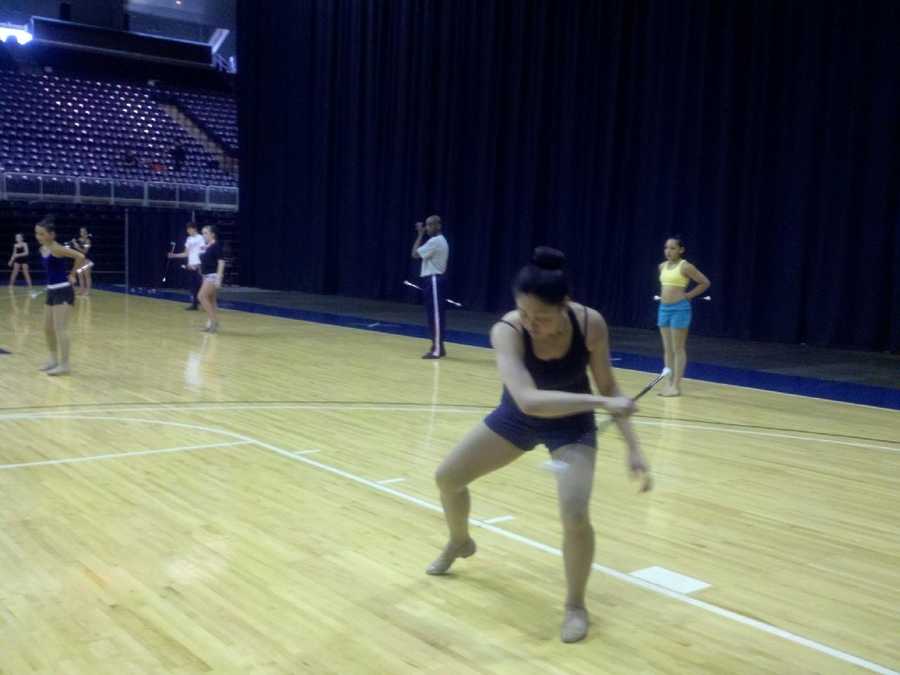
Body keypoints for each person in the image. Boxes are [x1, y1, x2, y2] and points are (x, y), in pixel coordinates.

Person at [428, 247, 651, 644]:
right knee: (447, 478)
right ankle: (460, 540)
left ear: (565, 305)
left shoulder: (590, 324)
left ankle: (575, 606)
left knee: (575, 514)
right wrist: (601, 403)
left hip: (572, 427)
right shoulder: (507, 331)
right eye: (524, 313)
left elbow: (609, 385)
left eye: (542, 317)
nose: (531, 324)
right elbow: (529, 400)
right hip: (516, 418)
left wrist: (633, 447)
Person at [657, 235, 711, 396]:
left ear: (681, 250)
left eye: (672, 248)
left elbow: (705, 282)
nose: (668, 251)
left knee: (678, 348)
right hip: (663, 309)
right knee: (667, 349)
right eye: (666, 248)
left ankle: (676, 386)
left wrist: (688, 295)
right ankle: (668, 383)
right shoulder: (662, 266)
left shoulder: (685, 266)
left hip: (679, 309)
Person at [34, 216, 85, 376]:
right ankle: (53, 360)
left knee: (60, 328)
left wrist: (73, 274)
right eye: (37, 233)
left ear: (52, 235)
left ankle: (65, 365)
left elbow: (80, 257)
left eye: (42, 234)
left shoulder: (57, 248)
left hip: (63, 290)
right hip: (51, 290)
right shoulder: (42, 249)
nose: (38, 237)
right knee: (47, 328)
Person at [411, 215, 450, 359]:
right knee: (434, 315)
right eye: (426, 225)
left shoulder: (435, 241)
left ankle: (437, 350)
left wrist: (419, 234)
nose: (427, 228)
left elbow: (415, 254)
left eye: (429, 225)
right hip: (434, 280)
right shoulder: (439, 240)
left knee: (435, 316)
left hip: (434, 279)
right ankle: (438, 346)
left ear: (438, 226)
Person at [168, 222, 205, 310]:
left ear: (194, 229)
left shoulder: (201, 238)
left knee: (202, 285)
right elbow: (186, 253)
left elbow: (203, 252)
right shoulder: (189, 239)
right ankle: (195, 305)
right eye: (187, 229)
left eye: (189, 229)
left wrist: (199, 264)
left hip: (199, 265)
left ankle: (206, 303)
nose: (188, 231)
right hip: (190, 265)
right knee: (193, 286)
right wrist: (174, 255)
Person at [195, 225, 224, 333]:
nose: (203, 235)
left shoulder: (216, 246)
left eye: (206, 233)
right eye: (202, 233)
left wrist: (219, 278)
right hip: (206, 276)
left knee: (201, 296)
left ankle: (213, 322)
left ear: (213, 234)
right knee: (211, 301)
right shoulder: (207, 246)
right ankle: (210, 323)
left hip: (213, 276)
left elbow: (221, 262)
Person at [71, 227, 92, 296]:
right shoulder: (78, 240)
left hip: (86, 260)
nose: (82, 233)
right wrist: (73, 243)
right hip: (79, 260)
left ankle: (87, 291)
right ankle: (81, 289)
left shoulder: (88, 241)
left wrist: (76, 246)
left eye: (84, 231)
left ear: (86, 232)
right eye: (81, 231)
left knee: (87, 275)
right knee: (80, 275)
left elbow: (85, 251)